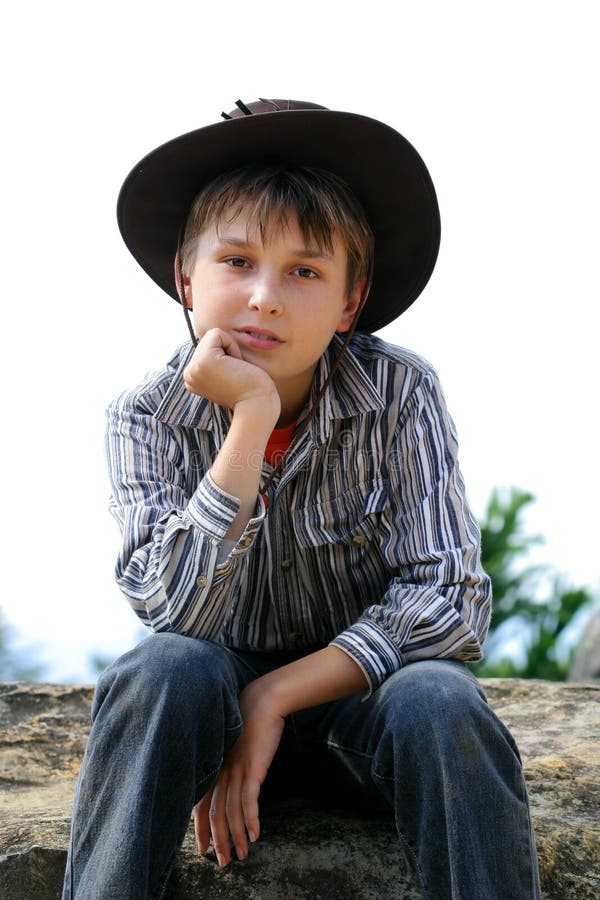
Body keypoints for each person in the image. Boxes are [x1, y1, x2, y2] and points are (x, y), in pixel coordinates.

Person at [62, 98, 541, 899]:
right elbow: (165, 602)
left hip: (365, 712)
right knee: (162, 669)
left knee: (440, 698)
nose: (265, 297)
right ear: (187, 277)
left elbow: (450, 599)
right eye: (237, 262)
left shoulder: (399, 392)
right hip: (207, 722)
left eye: (306, 271)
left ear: (350, 303)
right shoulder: (143, 414)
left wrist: (276, 693)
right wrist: (248, 418)